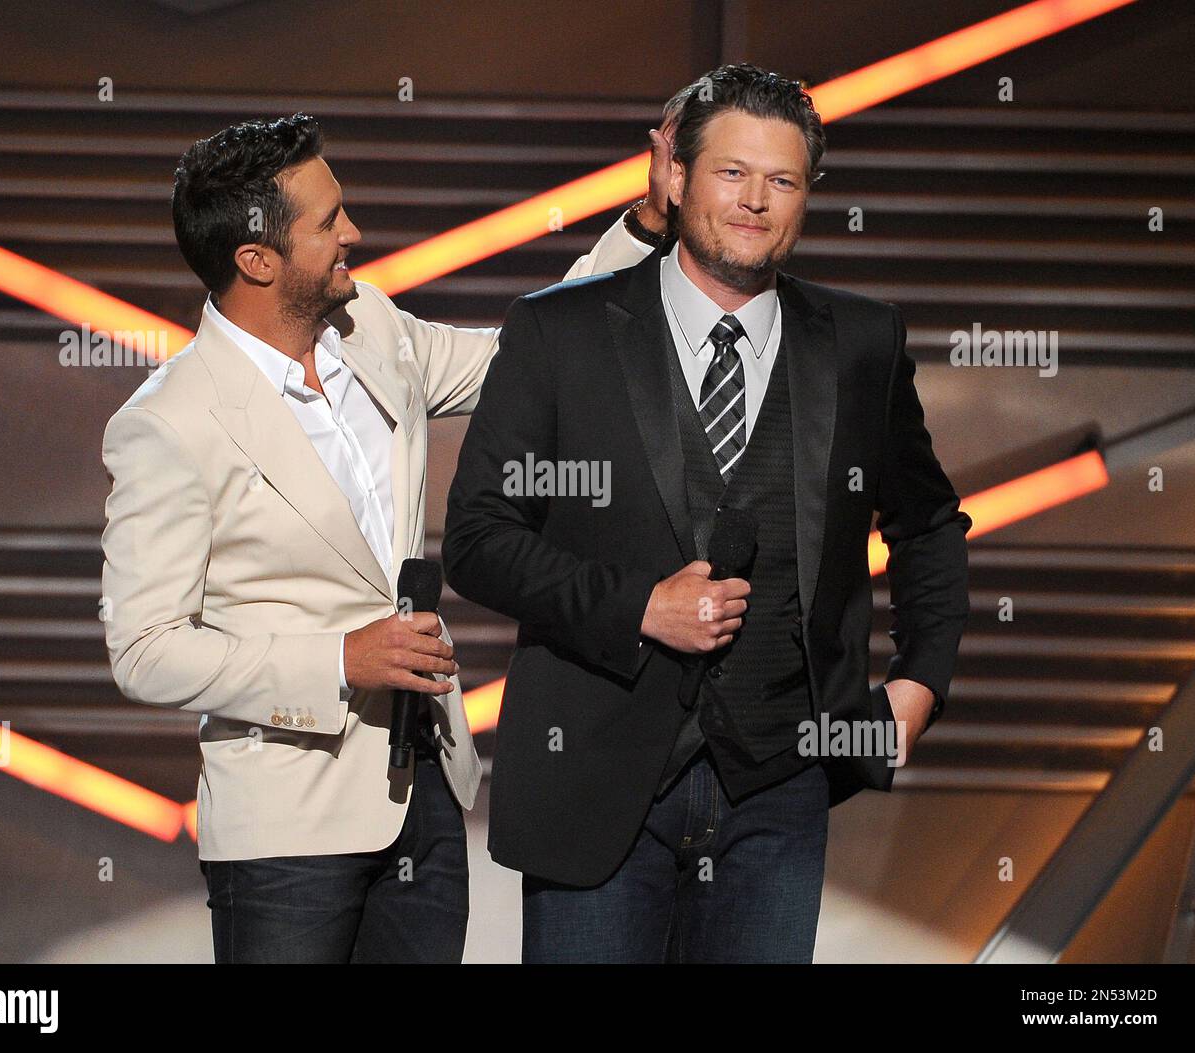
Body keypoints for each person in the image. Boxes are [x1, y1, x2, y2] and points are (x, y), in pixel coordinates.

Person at [442, 64, 973, 963]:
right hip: (598, 784)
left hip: (782, 787)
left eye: (783, 180)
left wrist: (920, 684)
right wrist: (637, 606)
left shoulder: (861, 342)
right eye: (732, 172)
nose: (755, 202)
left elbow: (927, 525)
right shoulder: (558, 332)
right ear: (676, 178)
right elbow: (480, 539)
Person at [99, 112, 655, 963]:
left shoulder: (375, 331)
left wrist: (644, 228)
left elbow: (528, 355)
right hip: (284, 832)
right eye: (328, 222)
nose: (353, 231)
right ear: (257, 259)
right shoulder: (169, 423)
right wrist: (336, 661)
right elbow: (144, 649)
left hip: (423, 794)